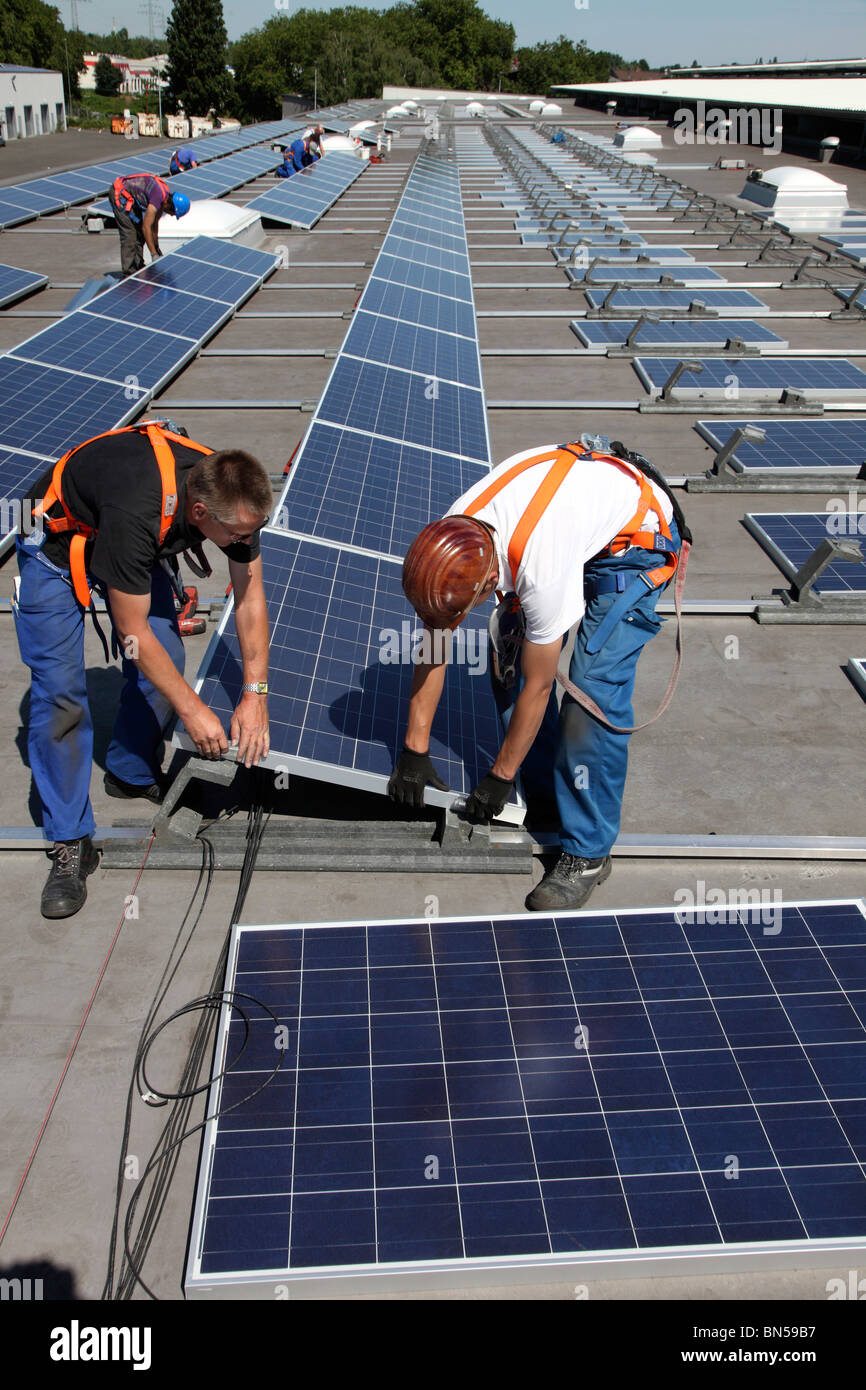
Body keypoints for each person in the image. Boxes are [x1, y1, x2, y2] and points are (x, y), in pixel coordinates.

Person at [388, 438, 687, 913]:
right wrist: (413, 749)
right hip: (577, 526)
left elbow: (540, 684)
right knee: (508, 655)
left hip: (635, 543)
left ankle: (588, 854)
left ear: (490, 581)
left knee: (590, 692)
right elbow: (436, 643)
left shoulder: (540, 570)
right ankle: (547, 797)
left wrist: (499, 776)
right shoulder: (453, 542)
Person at [16, 421, 273, 920]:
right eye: (239, 535)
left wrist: (255, 693)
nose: (246, 542)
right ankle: (71, 842)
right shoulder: (138, 510)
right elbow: (133, 636)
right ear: (201, 515)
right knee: (61, 699)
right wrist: (195, 712)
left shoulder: (229, 491)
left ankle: (130, 772)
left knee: (170, 663)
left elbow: (250, 597)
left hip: (130, 543)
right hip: (57, 546)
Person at [109, 173, 191, 277]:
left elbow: (154, 225)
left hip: (131, 199)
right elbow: (146, 227)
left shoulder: (164, 198)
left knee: (139, 235)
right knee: (130, 235)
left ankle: (138, 266)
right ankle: (129, 272)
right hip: (120, 195)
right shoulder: (158, 198)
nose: (170, 215)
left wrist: (157, 248)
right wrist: (153, 254)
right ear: (170, 205)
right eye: (172, 213)